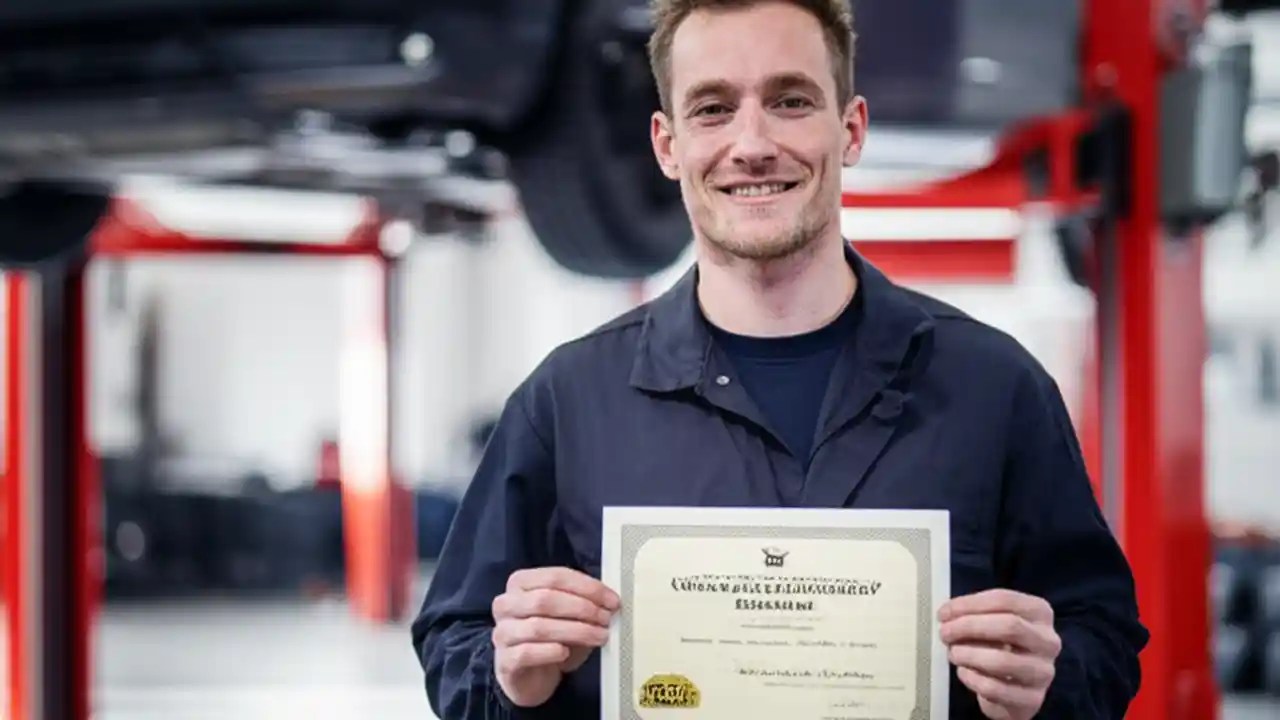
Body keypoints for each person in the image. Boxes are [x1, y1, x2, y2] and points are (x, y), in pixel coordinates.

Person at [410, 0, 1149, 718]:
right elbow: (456, 647)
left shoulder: (995, 389)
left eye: (791, 101)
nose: (753, 142)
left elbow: (1105, 637)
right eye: (712, 108)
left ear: (851, 129)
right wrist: (510, 677)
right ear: (668, 145)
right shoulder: (567, 402)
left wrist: (1048, 681)